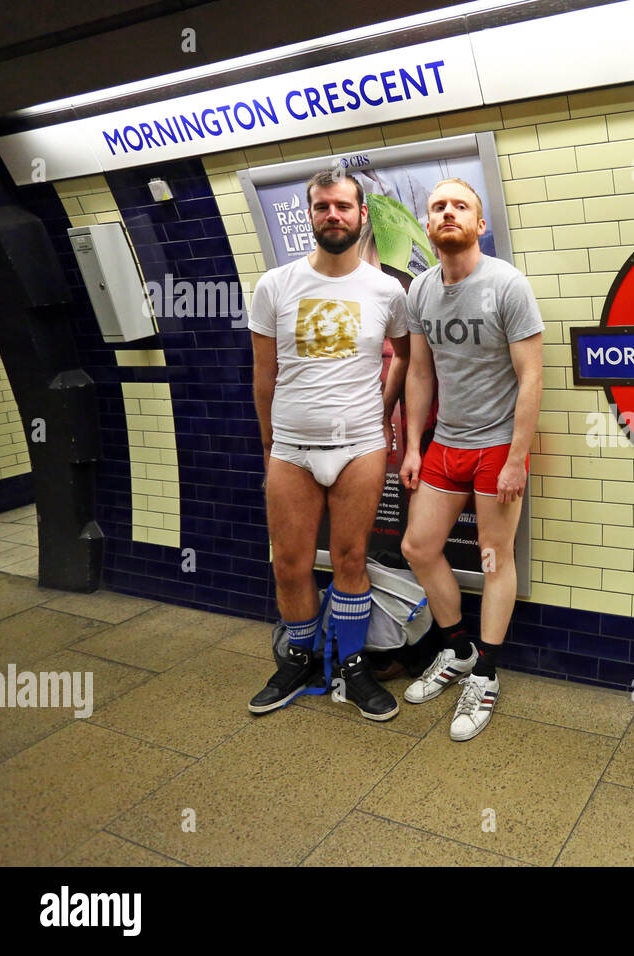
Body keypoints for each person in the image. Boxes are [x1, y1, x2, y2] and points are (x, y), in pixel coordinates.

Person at [247, 169, 410, 721]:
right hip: (291, 447)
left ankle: (351, 662)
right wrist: (270, 442)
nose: (333, 215)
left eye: (344, 206)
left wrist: (382, 414)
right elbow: (263, 374)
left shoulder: (388, 289)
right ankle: (299, 658)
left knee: (350, 558)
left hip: (360, 444)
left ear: (363, 215)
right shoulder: (275, 285)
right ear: (311, 216)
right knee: (289, 563)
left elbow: (406, 357)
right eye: (322, 207)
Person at [398, 178, 543, 742]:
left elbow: (532, 375)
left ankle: (485, 676)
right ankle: (458, 651)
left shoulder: (506, 284)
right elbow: (419, 371)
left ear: (480, 224)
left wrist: (516, 458)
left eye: (461, 205)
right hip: (446, 444)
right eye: (438, 207)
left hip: (497, 448)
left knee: (491, 557)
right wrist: (412, 445)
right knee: (418, 546)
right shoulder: (420, 292)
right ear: (429, 226)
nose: (448, 212)